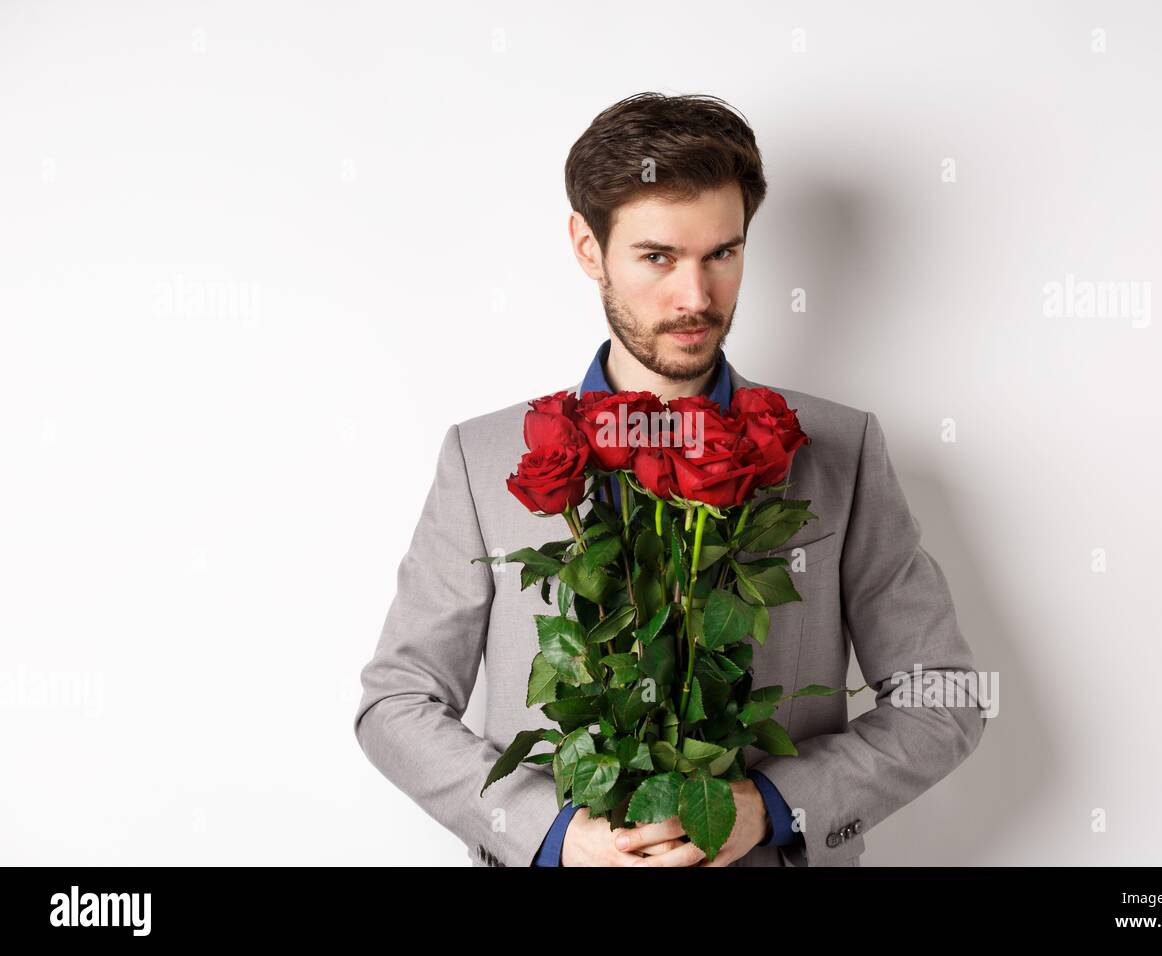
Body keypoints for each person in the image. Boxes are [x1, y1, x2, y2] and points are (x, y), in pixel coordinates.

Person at [353, 92, 986, 867]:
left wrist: (774, 809)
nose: (697, 298)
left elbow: (947, 695)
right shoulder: (481, 459)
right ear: (589, 248)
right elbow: (397, 702)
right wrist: (551, 834)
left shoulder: (841, 448)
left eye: (723, 253)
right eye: (658, 257)